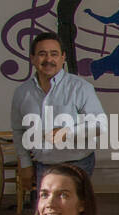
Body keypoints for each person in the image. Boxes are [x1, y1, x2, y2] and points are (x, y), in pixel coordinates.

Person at [10, 32, 107, 191]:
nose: (48, 60)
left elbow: (100, 125)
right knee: (48, 213)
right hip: (42, 165)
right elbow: (18, 130)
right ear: (33, 58)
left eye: (54, 54)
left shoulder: (80, 88)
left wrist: (67, 133)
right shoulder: (22, 93)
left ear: (63, 58)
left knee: (74, 212)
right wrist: (25, 163)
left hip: (78, 164)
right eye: (42, 54)